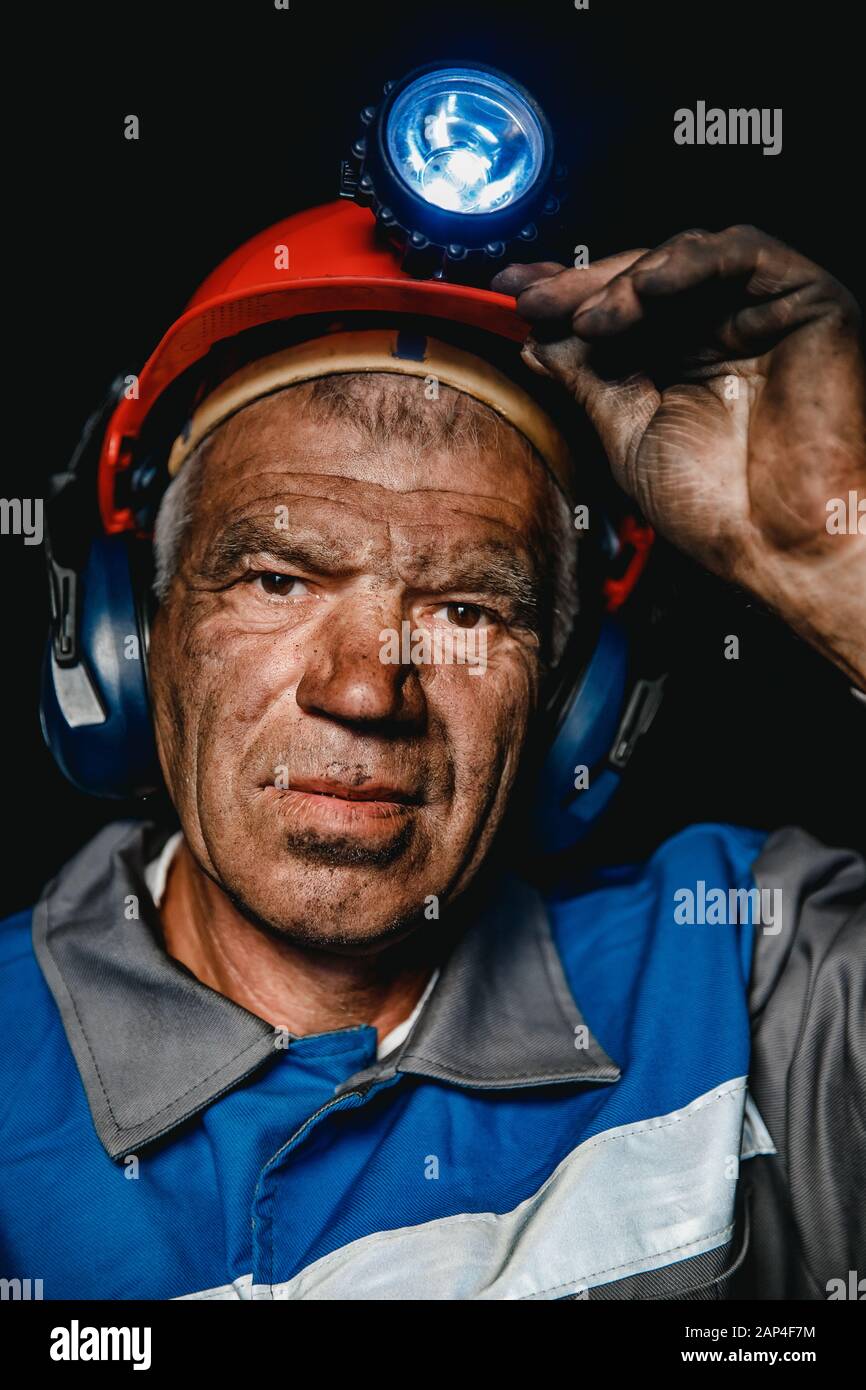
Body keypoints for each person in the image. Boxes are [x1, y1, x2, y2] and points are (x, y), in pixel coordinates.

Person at [1, 202, 863, 1301]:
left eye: (465, 609)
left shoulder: (753, 978)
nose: (363, 689)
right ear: (132, 635)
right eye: (279, 579)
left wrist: (841, 567)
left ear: (573, 698)